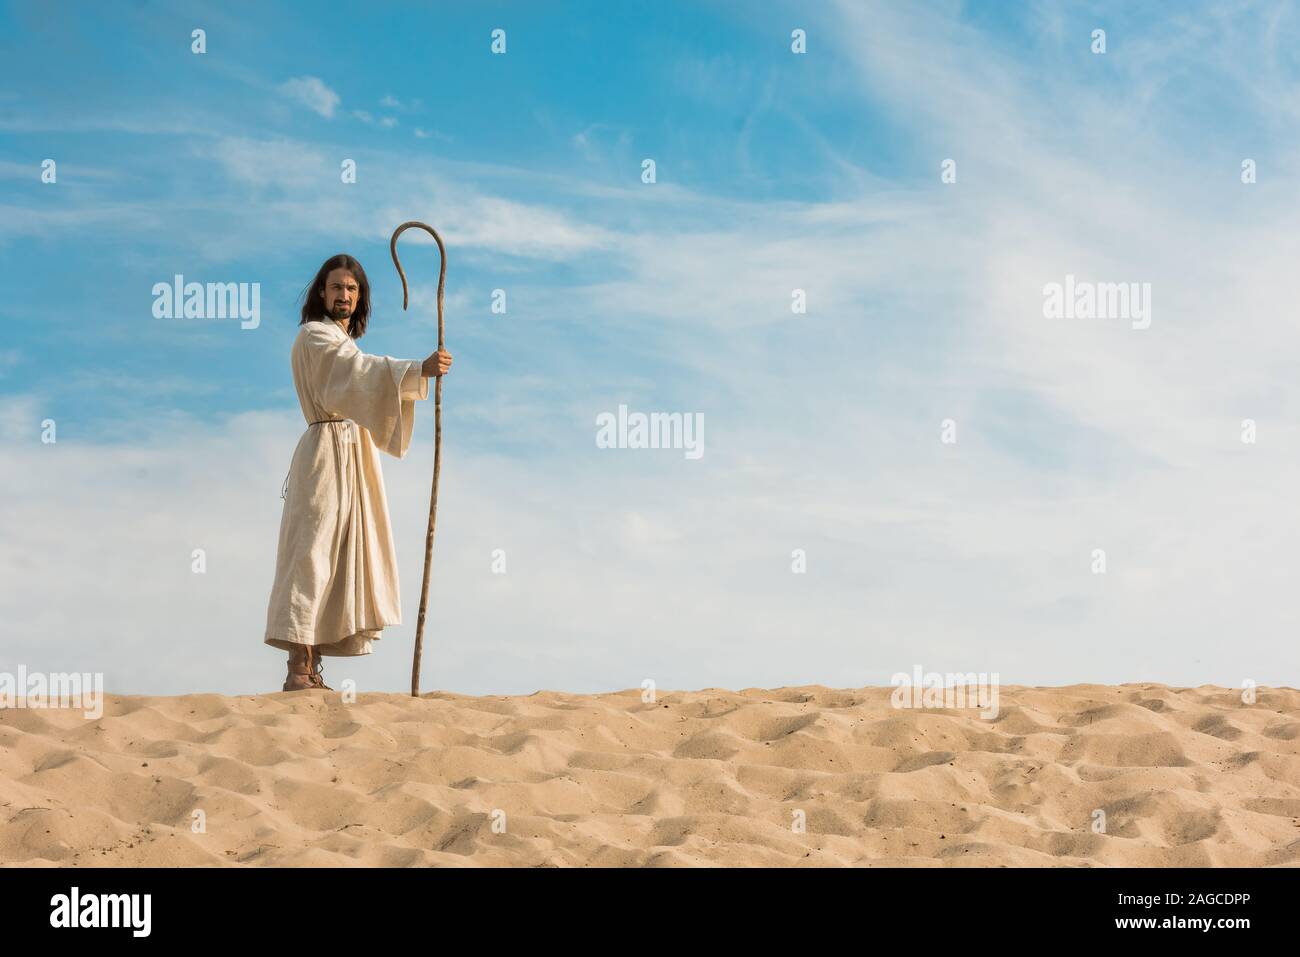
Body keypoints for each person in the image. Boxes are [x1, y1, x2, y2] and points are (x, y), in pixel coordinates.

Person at [264, 253, 452, 691]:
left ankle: (311, 666)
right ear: (321, 292)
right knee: (312, 553)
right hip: (325, 454)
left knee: (342, 554)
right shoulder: (315, 336)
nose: (344, 295)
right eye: (336, 287)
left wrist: (413, 375)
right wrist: (416, 370)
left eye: (352, 289)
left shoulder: (342, 341)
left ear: (360, 297)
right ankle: (297, 668)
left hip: (352, 454)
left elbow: (358, 373)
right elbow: (354, 374)